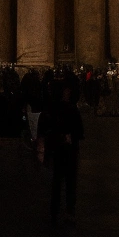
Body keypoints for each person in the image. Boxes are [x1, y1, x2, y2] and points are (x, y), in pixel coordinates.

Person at [40, 80, 85, 221]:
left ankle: (62, 211)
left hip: (63, 150)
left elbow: (79, 131)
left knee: (62, 182)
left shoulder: (54, 109)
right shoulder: (65, 109)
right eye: (66, 91)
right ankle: (62, 211)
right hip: (62, 150)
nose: (68, 93)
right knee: (63, 182)